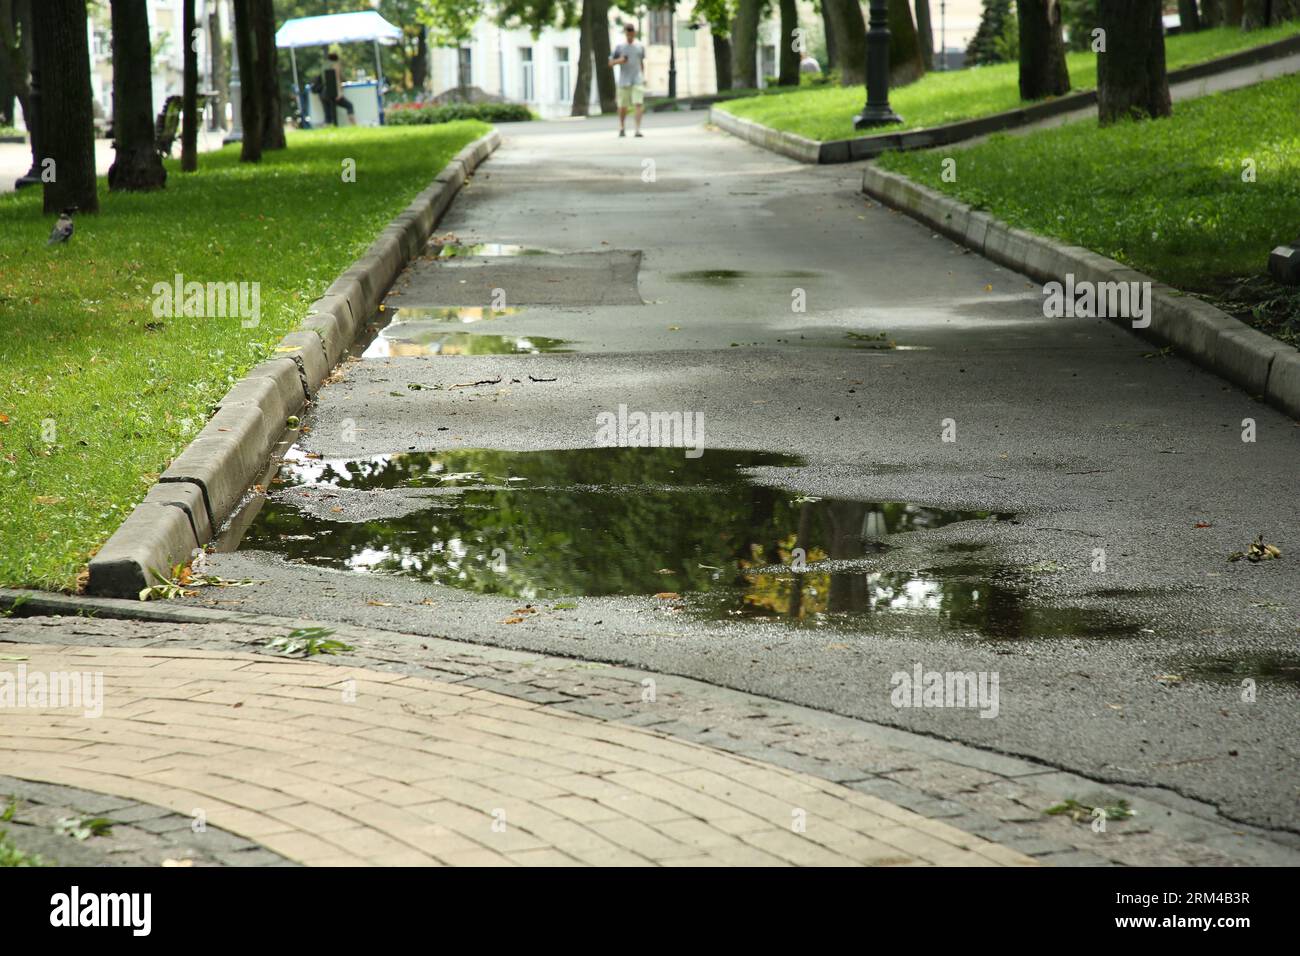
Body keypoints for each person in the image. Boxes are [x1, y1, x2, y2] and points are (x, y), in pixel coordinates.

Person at [608, 23, 646, 138]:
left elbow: (641, 62)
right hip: (624, 80)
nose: (630, 33)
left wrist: (643, 76)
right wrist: (619, 60)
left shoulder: (640, 46)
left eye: (631, 31)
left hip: (637, 79)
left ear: (634, 32)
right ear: (625, 33)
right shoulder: (619, 47)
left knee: (638, 104)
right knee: (623, 106)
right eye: (627, 31)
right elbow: (610, 63)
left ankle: (637, 129)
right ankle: (622, 127)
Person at [322, 50, 356, 126]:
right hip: (333, 91)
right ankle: (353, 124)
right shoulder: (335, 65)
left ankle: (329, 127)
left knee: (328, 115)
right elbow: (337, 79)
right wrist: (339, 92)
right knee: (349, 105)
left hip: (324, 92)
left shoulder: (325, 65)